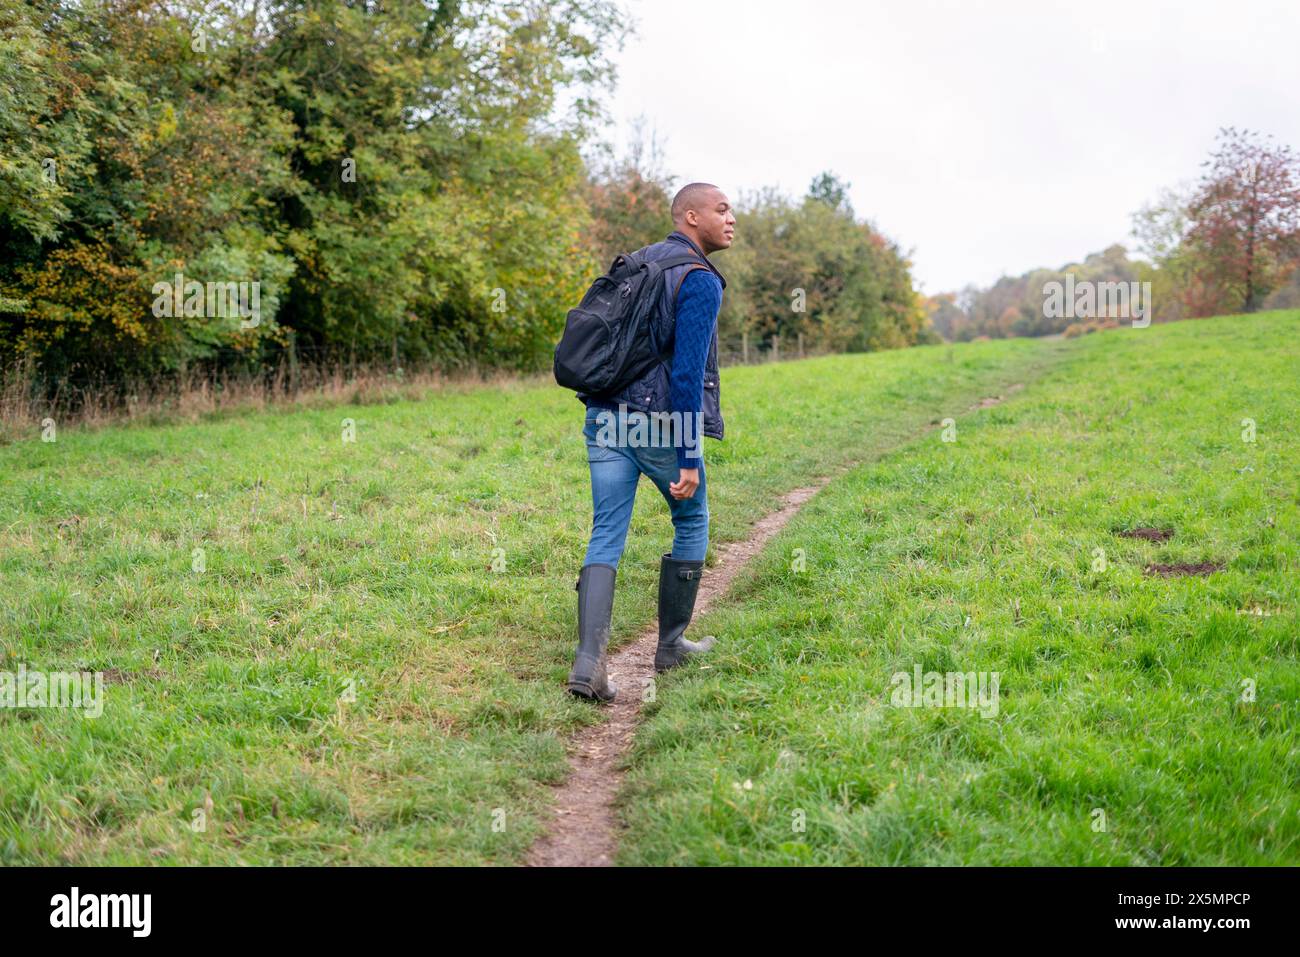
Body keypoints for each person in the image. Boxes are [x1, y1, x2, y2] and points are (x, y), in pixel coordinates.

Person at [565, 183, 736, 702]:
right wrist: (688, 455)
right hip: (657, 424)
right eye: (721, 209)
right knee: (691, 517)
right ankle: (672, 644)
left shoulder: (636, 263)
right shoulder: (700, 279)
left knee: (607, 532)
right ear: (691, 216)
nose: (731, 219)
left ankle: (588, 665)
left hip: (603, 416)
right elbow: (686, 376)